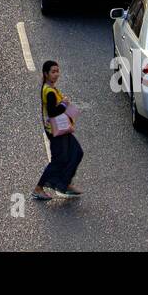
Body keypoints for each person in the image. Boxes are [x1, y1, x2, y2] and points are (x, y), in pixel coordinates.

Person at [33, 60, 83, 199]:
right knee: (58, 160)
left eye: (57, 71)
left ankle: (65, 183)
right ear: (46, 74)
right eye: (53, 72)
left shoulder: (50, 87)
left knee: (76, 152)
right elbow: (52, 112)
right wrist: (63, 104)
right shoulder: (49, 91)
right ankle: (38, 188)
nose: (56, 74)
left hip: (62, 129)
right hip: (55, 132)